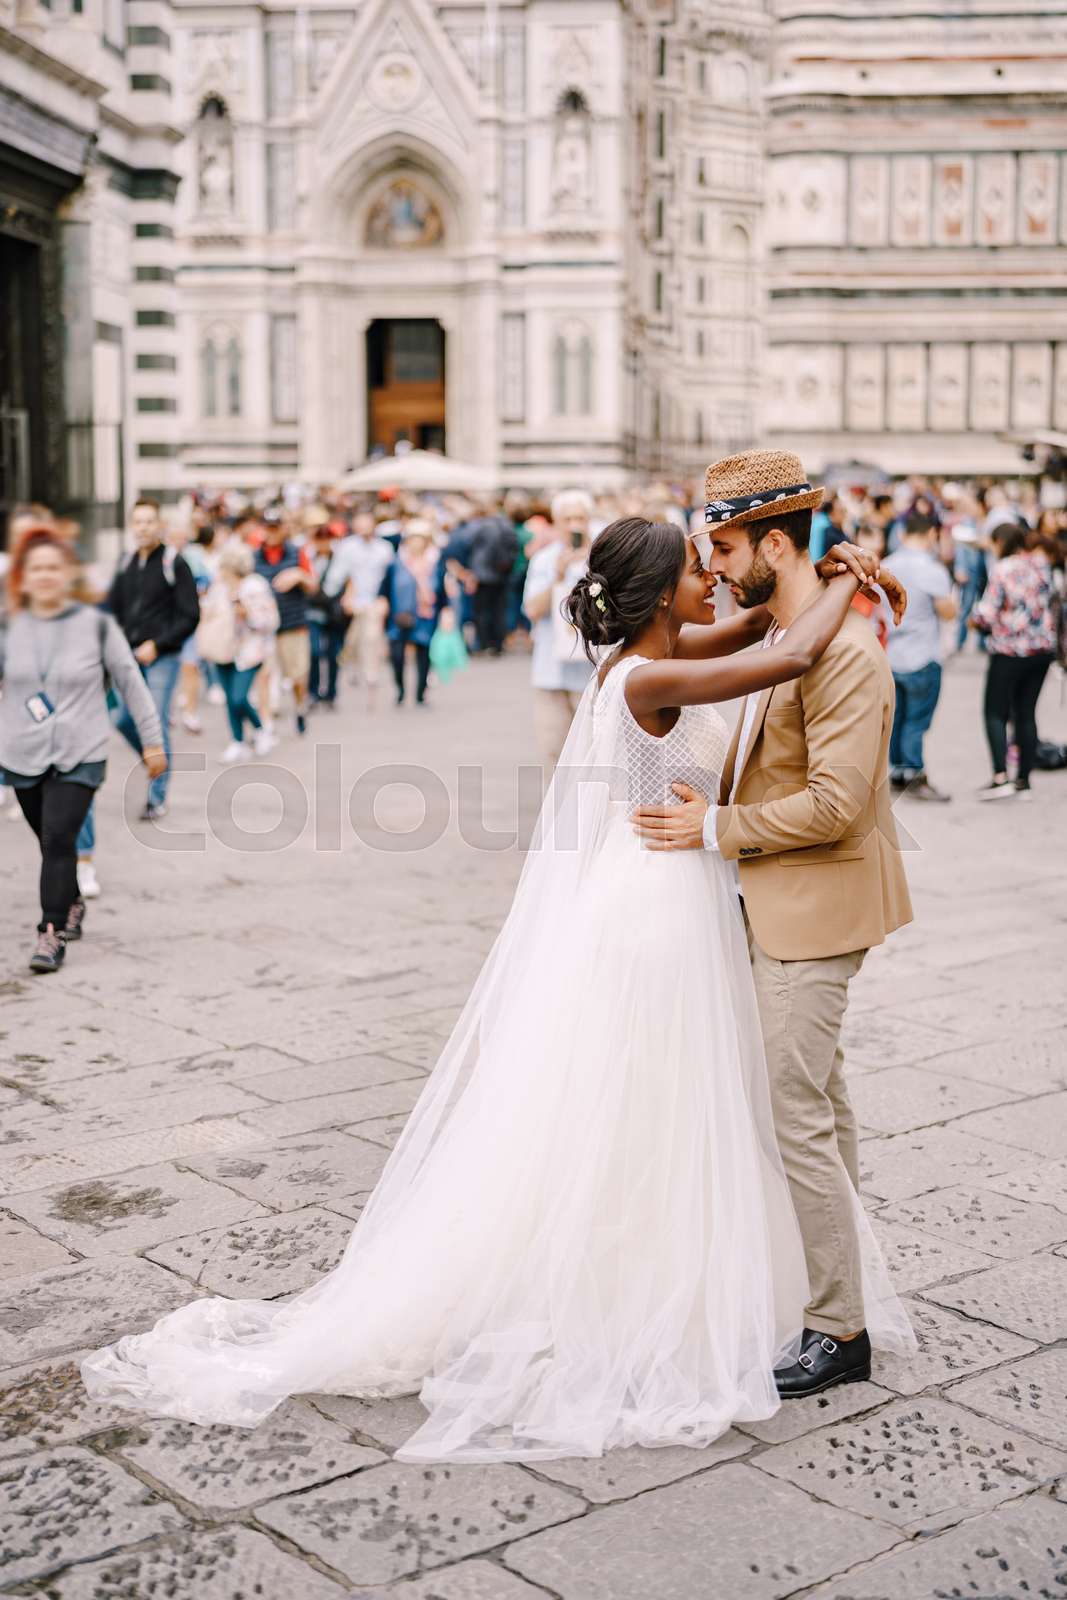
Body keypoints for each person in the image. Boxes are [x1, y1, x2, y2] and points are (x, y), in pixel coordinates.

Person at [82, 500, 914, 1457]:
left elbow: (766, 627)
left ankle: (668, 1267)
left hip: (662, 892)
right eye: (696, 565)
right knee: (658, 1102)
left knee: (663, 1104)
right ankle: (640, 1281)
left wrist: (821, 578)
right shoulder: (651, 675)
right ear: (657, 595)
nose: (711, 576)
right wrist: (849, 577)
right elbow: (785, 653)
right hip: (655, 907)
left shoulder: (646, 657)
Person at [631, 450, 913, 1399]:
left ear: (776, 543)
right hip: (780, 899)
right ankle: (831, 1279)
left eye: (724, 544)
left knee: (795, 1115)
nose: (711, 565)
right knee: (818, 1106)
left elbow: (837, 803)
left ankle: (838, 1328)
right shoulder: (795, 628)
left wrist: (711, 827)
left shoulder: (845, 653)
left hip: (814, 908)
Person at [0, 527, 164, 973]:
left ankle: (49, 933)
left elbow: (131, 682)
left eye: (55, 567)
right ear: (24, 577)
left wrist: (152, 742)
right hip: (21, 751)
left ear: (69, 574)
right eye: (37, 568)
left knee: (57, 836)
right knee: (51, 842)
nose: (47, 575)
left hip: (81, 750)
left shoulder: (96, 627)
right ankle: (70, 900)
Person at [106, 498, 199, 821]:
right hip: (128, 658)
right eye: (138, 521)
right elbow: (111, 610)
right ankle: (156, 758)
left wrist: (157, 645)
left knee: (155, 722)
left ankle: (156, 797)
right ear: (132, 526)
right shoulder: (125, 563)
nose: (143, 527)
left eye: (149, 521)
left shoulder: (174, 563)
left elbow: (190, 615)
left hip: (162, 658)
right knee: (120, 718)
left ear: (159, 525)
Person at [971, 519, 1057, 801]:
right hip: (1042, 650)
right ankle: (1024, 781)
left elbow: (987, 612)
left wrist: (974, 619)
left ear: (1000, 542)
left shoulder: (1003, 569)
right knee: (1026, 713)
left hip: (1009, 650)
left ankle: (1000, 777)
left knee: (995, 712)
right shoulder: (1042, 566)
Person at [882, 513, 956, 801]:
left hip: (892, 654)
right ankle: (913, 772)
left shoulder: (886, 565)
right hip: (922, 654)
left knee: (898, 718)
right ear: (931, 535)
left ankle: (898, 772)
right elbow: (947, 612)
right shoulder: (932, 569)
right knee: (916, 720)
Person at [522, 489, 597, 773]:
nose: (574, 525)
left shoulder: (601, 557)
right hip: (550, 672)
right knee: (554, 753)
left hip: (591, 672)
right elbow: (532, 610)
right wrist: (556, 575)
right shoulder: (544, 560)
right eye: (567, 519)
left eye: (580, 518)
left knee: (592, 758)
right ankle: (556, 814)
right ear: (556, 523)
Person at [197, 542, 280, 762]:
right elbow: (208, 611)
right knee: (229, 699)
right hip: (223, 649)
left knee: (238, 697)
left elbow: (270, 621)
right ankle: (237, 741)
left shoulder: (255, 586)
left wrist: (247, 614)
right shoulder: (219, 587)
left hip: (250, 651)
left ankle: (261, 730)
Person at [255, 511, 315, 734]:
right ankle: (267, 724)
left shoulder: (297, 554)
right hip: (265, 628)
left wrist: (299, 576)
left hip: (293, 624)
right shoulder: (255, 556)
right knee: (265, 676)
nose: (271, 533)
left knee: (298, 675)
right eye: (268, 527)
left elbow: (313, 586)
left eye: (275, 527)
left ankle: (300, 707)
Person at [379, 520, 449, 706]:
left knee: (423, 653)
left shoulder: (435, 563)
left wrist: (445, 612)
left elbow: (441, 592)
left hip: (425, 615)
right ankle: (400, 689)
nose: (416, 543)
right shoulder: (396, 563)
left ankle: (420, 692)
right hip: (399, 615)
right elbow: (384, 588)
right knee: (397, 655)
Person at [332, 512, 395, 709]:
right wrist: (347, 595)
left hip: (374, 602)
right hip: (355, 602)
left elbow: (390, 577)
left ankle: (371, 675)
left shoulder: (384, 548)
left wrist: (385, 600)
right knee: (353, 640)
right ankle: (355, 668)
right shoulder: (348, 547)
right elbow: (337, 575)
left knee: (371, 638)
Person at [465, 498, 520, 656]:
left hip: (482, 574)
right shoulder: (508, 526)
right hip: (501, 574)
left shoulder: (481, 526)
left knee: (482, 611)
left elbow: (468, 545)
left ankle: (484, 642)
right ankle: (497, 642)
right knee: (499, 610)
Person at [305, 521, 350, 710]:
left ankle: (330, 693)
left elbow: (345, 582)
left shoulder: (340, 559)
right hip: (313, 611)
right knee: (314, 652)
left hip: (333, 613)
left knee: (333, 654)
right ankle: (313, 691)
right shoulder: (308, 559)